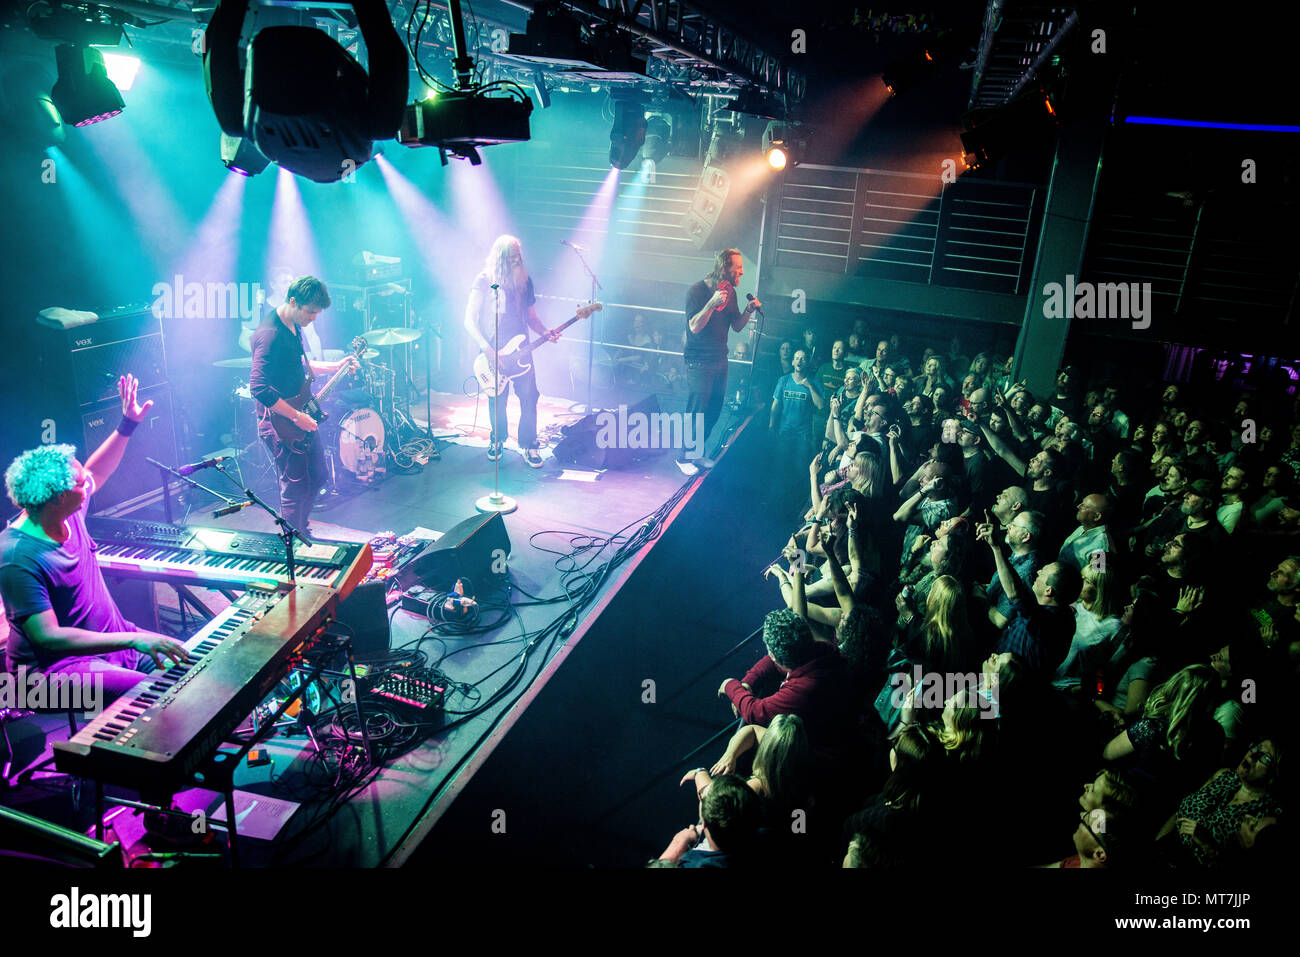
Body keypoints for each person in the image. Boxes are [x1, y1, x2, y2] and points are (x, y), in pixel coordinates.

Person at [1, 377, 189, 701]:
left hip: (113, 641)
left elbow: (97, 471)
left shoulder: (64, 511)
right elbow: (48, 637)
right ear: (57, 497)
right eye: (79, 483)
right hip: (52, 673)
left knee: (190, 668)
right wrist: (132, 641)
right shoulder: (17, 556)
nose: (87, 483)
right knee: (151, 694)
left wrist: (128, 423)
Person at [250, 275, 358, 532]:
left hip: (298, 415)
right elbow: (258, 388)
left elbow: (296, 366)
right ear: (293, 301)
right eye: (310, 312)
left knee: (318, 475)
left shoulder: (293, 325)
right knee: (295, 485)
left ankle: (300, 528)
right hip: (279, 422)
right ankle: (293, 540)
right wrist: (296, 417)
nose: (313, 318)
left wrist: (335, 366)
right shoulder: (269, 334)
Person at [463, 236, 562, 468]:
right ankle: (497, 439)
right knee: (497, 398)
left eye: (519, 255)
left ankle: (529, 444)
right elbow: (469, 319)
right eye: (512, 256)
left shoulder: (525, 282)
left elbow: (531, 317)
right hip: (493, 351)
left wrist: (545, 332)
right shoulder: (485, 280)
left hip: (522, 350)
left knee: (529, 397)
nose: (517, 260)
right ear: (501, 257)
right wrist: (487, 349)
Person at [679, 248, 761, 475]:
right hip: (699, 361)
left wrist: (748, 310)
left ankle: (697, 452)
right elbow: (694, 327)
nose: (742, 273)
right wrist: (710, 304)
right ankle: (684, 455)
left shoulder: (730, 292)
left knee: (714, 410)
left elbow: (736, 325)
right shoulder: (697, 291)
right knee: (697, 410)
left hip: (719, 359)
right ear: (725, 267)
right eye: (739, 267)